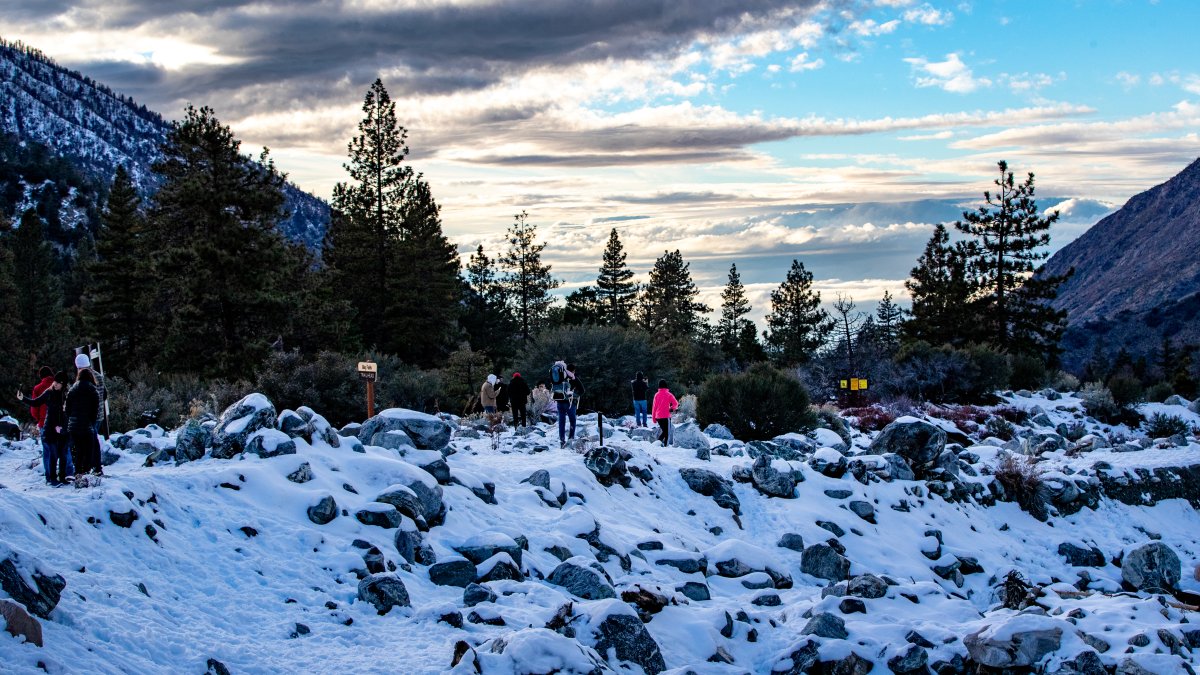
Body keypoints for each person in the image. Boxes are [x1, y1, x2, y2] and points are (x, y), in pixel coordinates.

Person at [18, 371, 73, 485]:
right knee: (53, 454)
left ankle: (62, 477)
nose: (56, 384)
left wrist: (63, 427)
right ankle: (52, 479)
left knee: (63, 455)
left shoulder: (67, 394)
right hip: (50, 428)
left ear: (63, 384)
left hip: (63, 429)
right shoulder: (49, 392)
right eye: (55, 382)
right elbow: (35, 402)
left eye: (59, 383)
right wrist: (23, 398)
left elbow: (69, 412)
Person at [65, 368, 102, 477]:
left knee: (79, 449)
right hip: (87, 425)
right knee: (89, 449)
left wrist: (71, 419)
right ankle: (86, 471)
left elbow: (67, 409)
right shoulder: (93, 390)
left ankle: (77, 471)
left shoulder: (72, 389)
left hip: (73, 426)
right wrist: (91, 422)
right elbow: (95, 411)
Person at [651, 379, 679, 448]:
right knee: (667, 433)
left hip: (658, 417)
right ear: (666, 386)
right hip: (666, 417)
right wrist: (672, 408)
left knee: (664, 431)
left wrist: (653, 418)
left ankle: (658, 444)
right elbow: (676, 403)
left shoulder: (656, 395)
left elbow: (654, 407)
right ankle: (665, 446)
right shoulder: (669, 394)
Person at [29, 366, 55, 435]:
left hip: (44, 422)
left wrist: (40, 419)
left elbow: (34, 409)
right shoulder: (60, 386)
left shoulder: (37, 388)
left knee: (47, 445)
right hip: (58, 423)